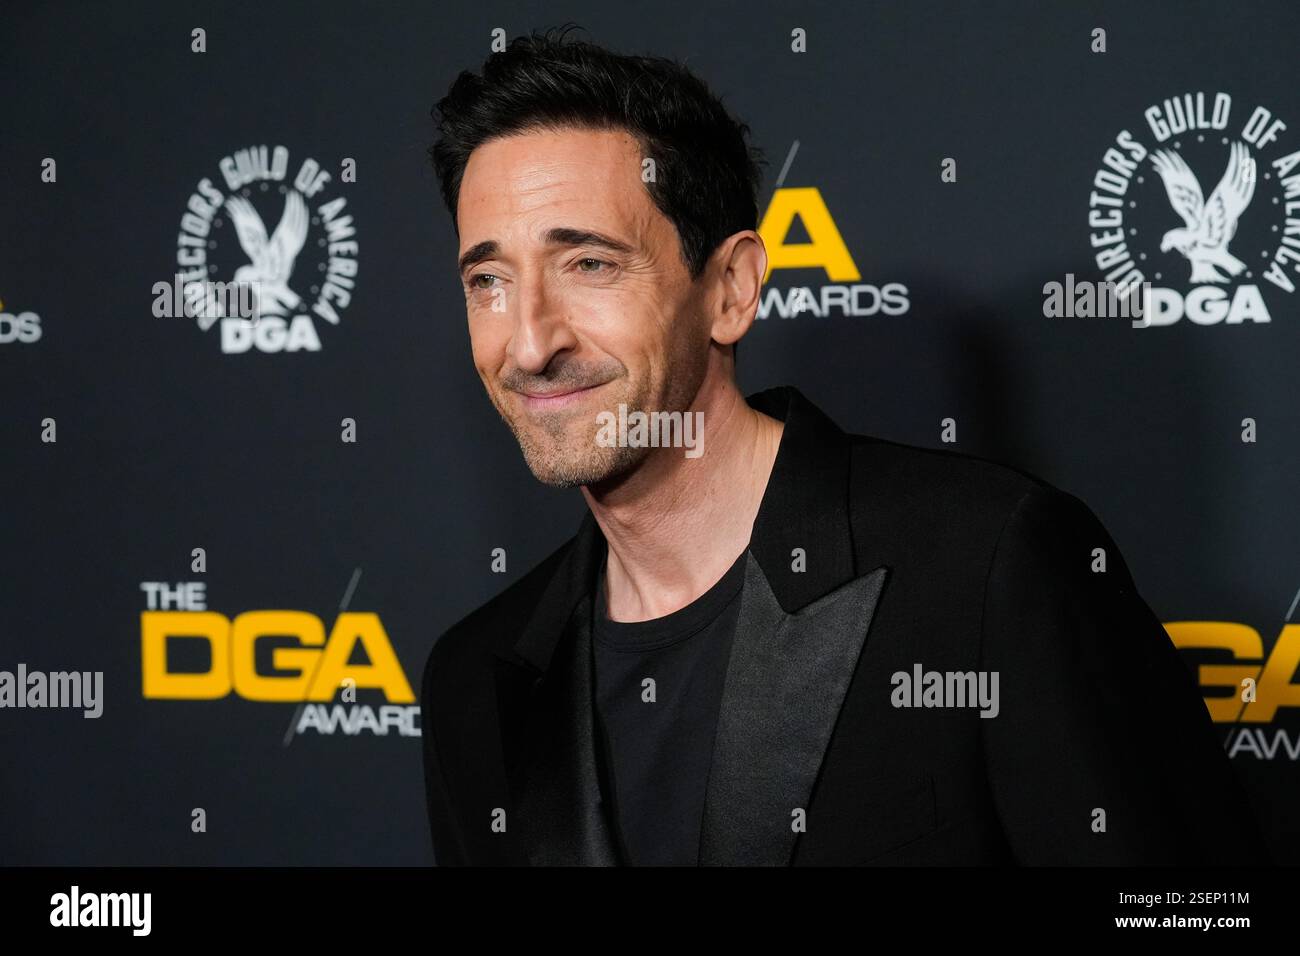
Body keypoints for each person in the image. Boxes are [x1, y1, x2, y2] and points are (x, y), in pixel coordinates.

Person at [420, 26, 1264, 865]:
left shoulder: (989, 569)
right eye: (487, 282)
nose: (528, 343)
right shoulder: (474, 680)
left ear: (731, 289)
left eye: (589, 265)